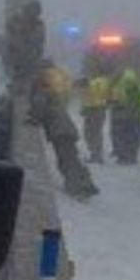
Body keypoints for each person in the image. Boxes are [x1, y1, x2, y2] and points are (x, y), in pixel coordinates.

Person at [31, 60, 97, 199]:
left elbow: (39, 108)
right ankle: (86, 182)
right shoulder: (54, 94)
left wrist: (34, 119)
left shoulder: (41, 90)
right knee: (72, 157)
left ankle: (75, 186)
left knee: (65, 159)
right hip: (67, 128)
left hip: (58, 131)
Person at [110, 63, 140, 165]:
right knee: (131, 133)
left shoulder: (127, 78)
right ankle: (130, 156)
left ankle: (125, 156)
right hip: (130, 110)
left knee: (123, 133)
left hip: (125, 109)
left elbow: (137, 92)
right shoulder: (128, 77)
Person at [75, 64, 112, 165]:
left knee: (92, 133)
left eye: (93, 69)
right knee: (92, 133)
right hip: (93, 109)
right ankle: (95, 154)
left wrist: (85, 83)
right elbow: (87, 94)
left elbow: (93, 92)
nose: (91, 71)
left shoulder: (101, 81)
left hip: (95, 109)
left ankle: (96, 155)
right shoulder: (98, 81)